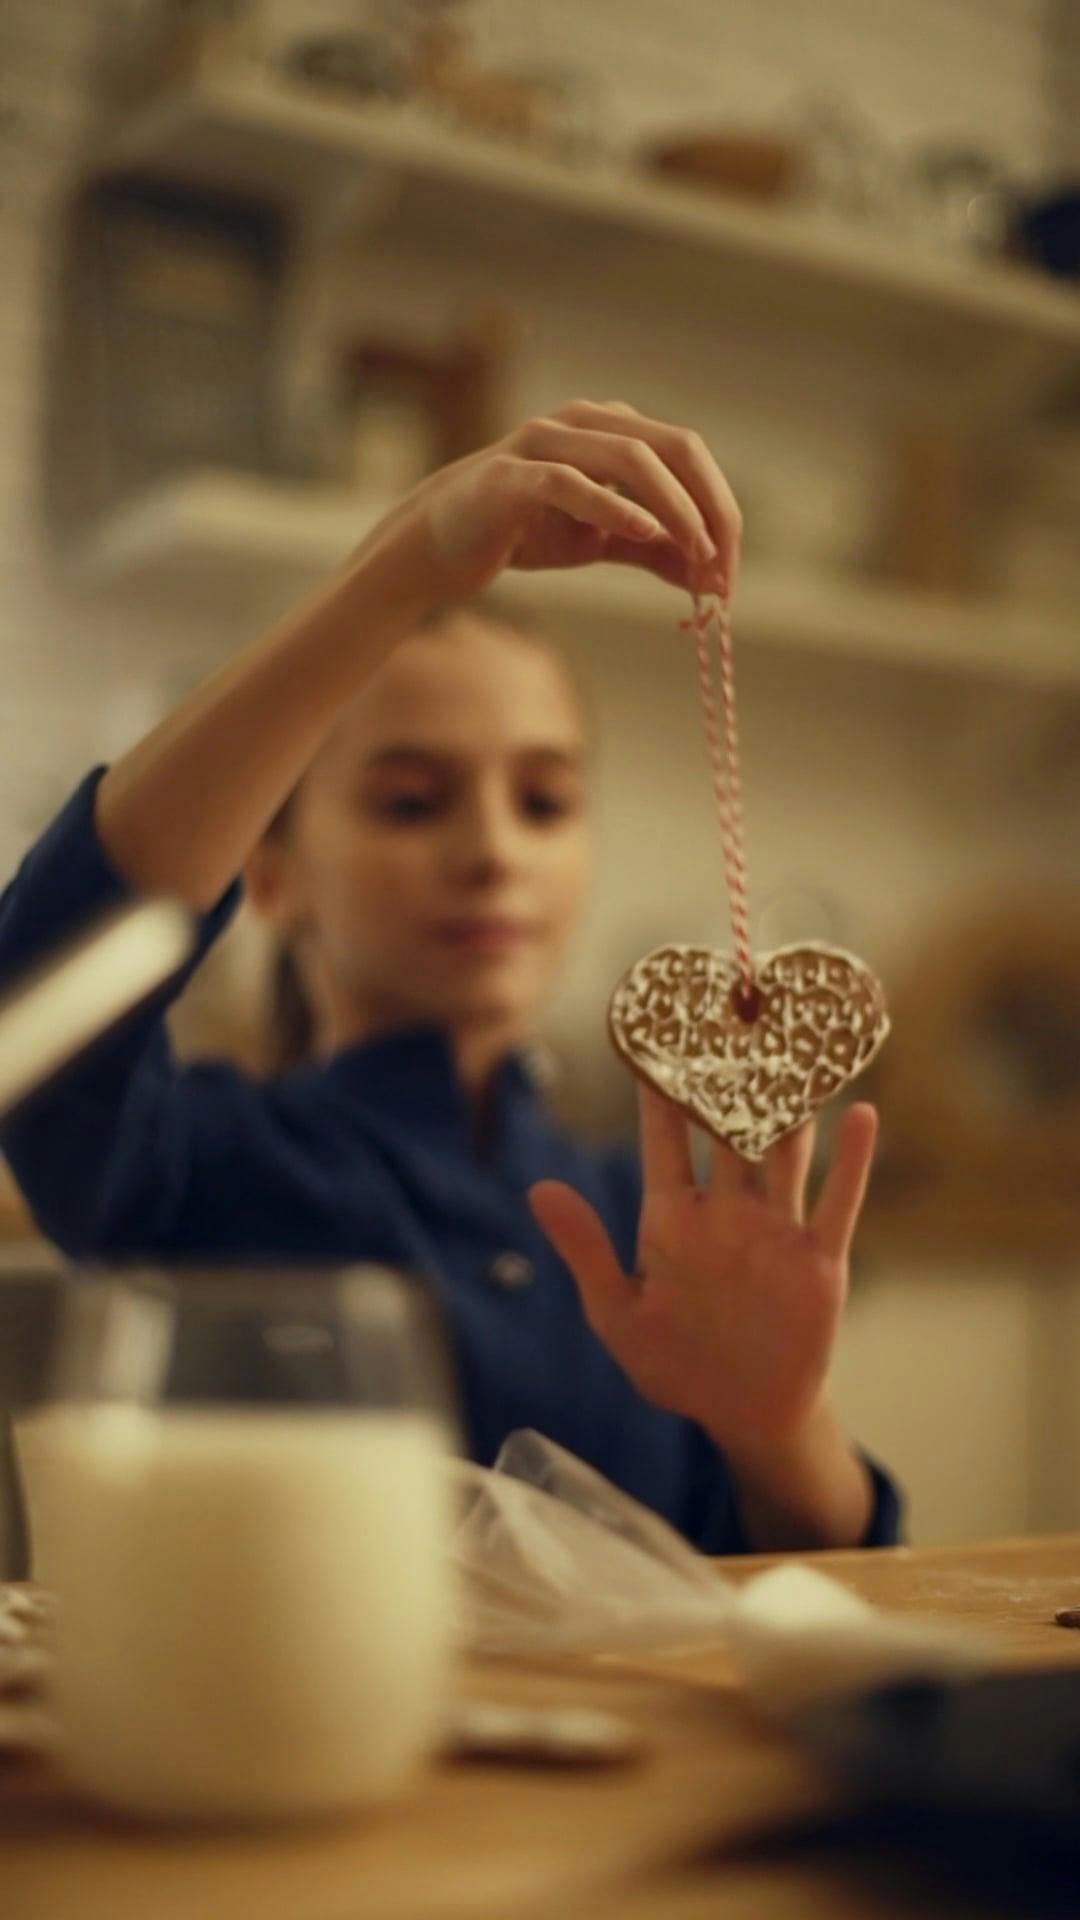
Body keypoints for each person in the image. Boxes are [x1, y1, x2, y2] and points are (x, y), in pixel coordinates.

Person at [0, 401, 900, 1554]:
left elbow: (811, 1591)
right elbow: (48, 981)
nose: (494, 852)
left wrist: (780, 1430)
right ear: (270, 873)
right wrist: (397, 572)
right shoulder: (195, 1172)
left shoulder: (657, 1221)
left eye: (544, 801)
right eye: (413, 801)